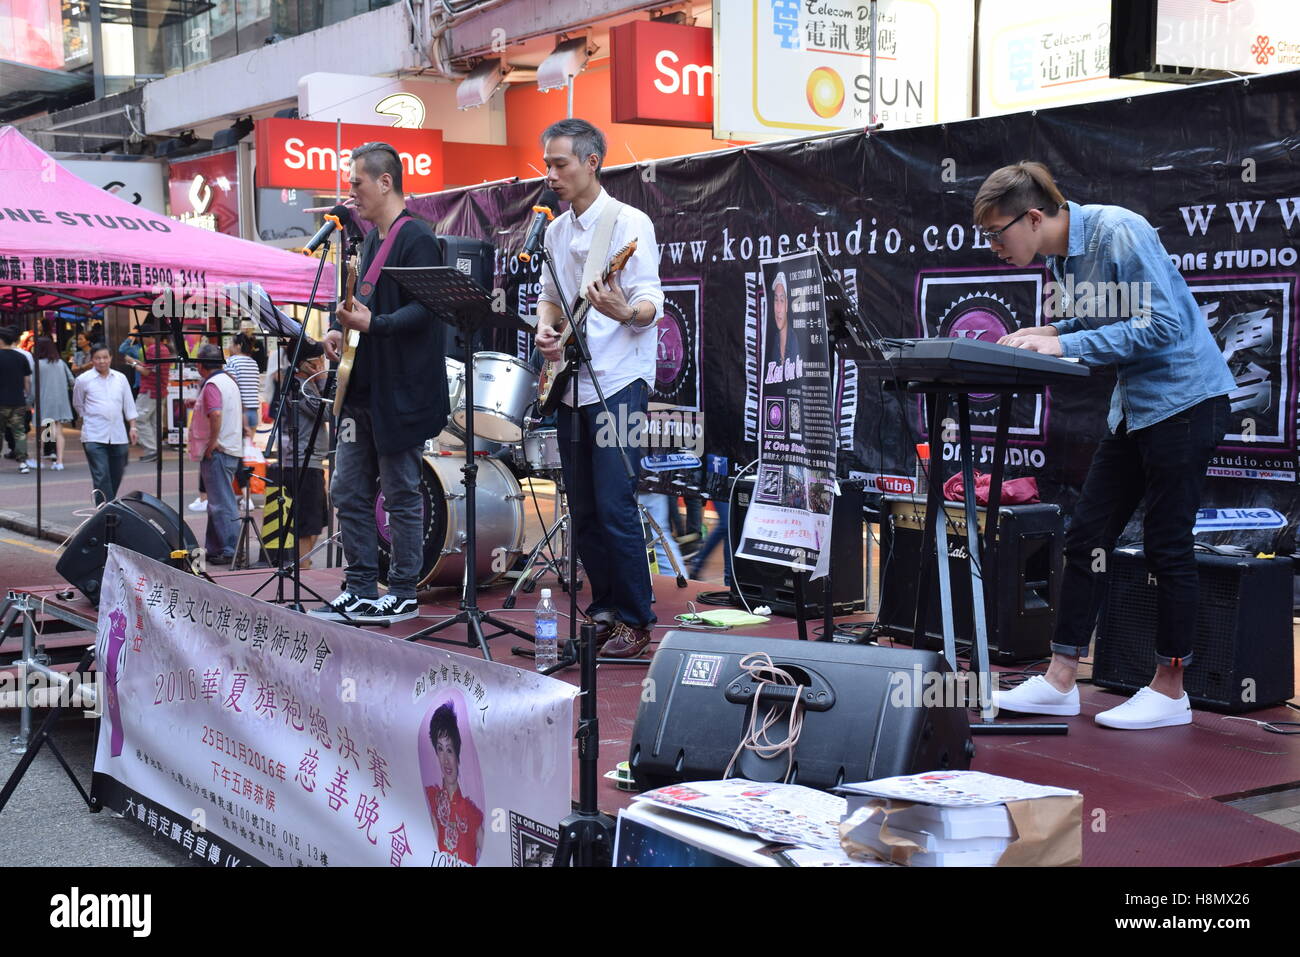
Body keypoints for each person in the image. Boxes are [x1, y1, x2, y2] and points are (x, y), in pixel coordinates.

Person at [977, 161, 1234, 731]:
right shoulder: (1064, 258)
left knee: (1169, 546)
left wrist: (1064, 337)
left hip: (1187, 401)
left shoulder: (1119, 231)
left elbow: (1162, 325)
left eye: (998, 233)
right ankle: (1061, 679)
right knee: (1088, 536)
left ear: (1035, 216)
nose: (994, 246)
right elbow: (1089, 325)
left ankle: (1171, 690)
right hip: (1135, 409)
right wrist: (1047, 333)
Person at [533, 118, 664, 659]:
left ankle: (637, 618)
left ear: (592, 162)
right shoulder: (554, 232)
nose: (551, 175)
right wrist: (547, 327)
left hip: (619, 380)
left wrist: (624, 310)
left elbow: (651, 301)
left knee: (614, 503)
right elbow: (549, 293)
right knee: (582, 508)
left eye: (561, 164)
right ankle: (605, 610)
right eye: (547, 165)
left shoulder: (630, 222)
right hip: (570, 384)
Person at [317, 141, 448, 625]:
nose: (351, 193)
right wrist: (341, 328)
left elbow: (428, 311)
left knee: (400, 493)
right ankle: (360, 586)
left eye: (357, 183)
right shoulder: (371, 239)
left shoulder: (416, 238)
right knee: (348, 491)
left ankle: (403, 590)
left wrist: (376, 325)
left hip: (402, 395)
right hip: (364, 390)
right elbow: (365, 306)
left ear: (386, 182)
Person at [270, 340, 329, 568]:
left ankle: (303, 561)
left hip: (312, 461)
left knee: (318, 519)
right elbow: (323, 412)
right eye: (318, 361)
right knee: (308, 522)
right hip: (303, 461)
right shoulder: (297, 385)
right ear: (305, 364)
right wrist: (322, 380)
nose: (322, 365)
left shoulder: (305, 382)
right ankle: (302, 566)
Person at [187, 344, 243, 565]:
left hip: (220, 450)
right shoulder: (228, 381)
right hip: (230, 448)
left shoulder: (212, 384)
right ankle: (215, 547)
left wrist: (211, 443)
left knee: (221, 502)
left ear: (200, 366)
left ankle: (231, 549)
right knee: (217, 501)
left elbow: (216, 414)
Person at [72, 344, 138, 503]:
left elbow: (128, 403)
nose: (102, 361)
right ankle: (104, 509)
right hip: (94, 434)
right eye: (97, 358)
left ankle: (109, 504)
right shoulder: (83, 380)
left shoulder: (120, 378)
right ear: (92, 360)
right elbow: (78, 403)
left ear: (111, 358)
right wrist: (89, 417)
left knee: (117, 472)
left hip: (118, 434)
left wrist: (133, 426)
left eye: (105, 357)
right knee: (101, 474)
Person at [424, 702, 483, 866]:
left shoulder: (472, 814)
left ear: (457, 755)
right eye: (440, 749)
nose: (445, 760)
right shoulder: (430, 799)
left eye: (449, 750)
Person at [33, 337, 74, 470]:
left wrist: (29, 402)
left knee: (42, 429)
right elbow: (72, 380)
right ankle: (59, 462)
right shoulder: (60, 363)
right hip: (60, 401)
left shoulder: (37, 365)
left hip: (44, 400)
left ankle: (39, 461)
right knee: (58, 430)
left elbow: (33, 386)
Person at [132, 325, 171, 464]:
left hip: (149, 389)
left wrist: (133, 364)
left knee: (139, 418)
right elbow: (152, 368)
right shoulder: (164, 349)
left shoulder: (152, 349)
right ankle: (156, 450)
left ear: (149, 337)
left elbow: (147, 372)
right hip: (161, 390)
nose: (141, 340)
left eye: (142, 337)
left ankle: (151, 450)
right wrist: (140, 363)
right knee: (156, 422)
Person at [0, 327, 33, 473]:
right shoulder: (22, 357)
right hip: (18, 401)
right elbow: (27, 381)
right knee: (19, 432)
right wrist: (27, 398)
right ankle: (23, 463)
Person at [225, 333, 262, 437]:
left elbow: (230, 389)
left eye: (231, 344)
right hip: (253, 413)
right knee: (248, 450)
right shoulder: (254, 363)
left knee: (235, 451)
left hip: (238, 413)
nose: (229, 347)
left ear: (239, 345)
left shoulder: (231, 362)